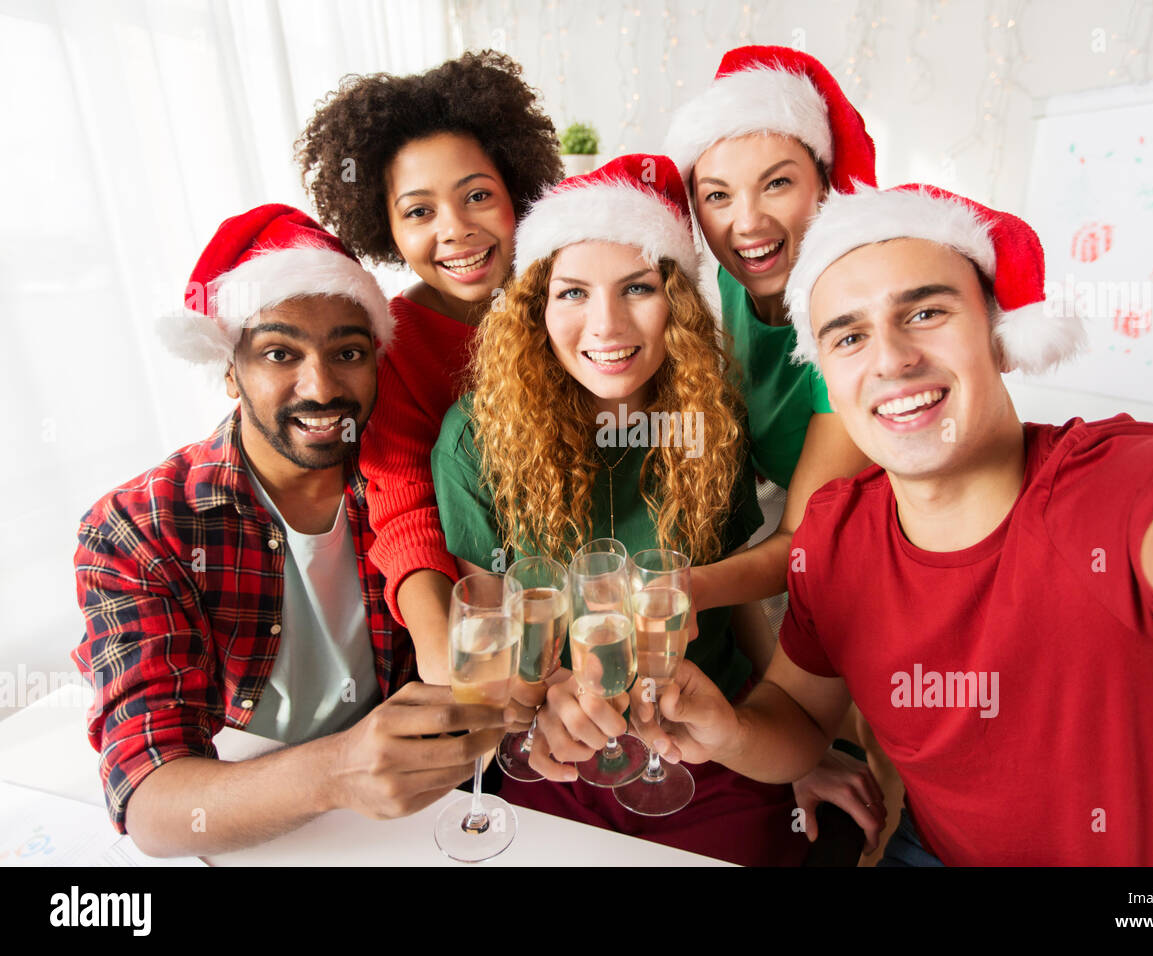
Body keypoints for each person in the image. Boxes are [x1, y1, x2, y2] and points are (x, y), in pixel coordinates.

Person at [635, 183, 1153, 865]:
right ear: (828, 378)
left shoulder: (1124, 489)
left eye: (924, 312)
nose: (891, 359)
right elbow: (800, 719)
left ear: (999, 334)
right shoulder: (835, 535)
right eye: (851, 335)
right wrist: (727, 729)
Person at [431, 155, 830, 866]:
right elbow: (491, 616)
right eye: (573, 292)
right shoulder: (475, 437)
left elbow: (732, 600)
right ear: (537, 308)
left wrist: (790, 735)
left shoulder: (710, 420)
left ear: (675, 305)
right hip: (559, 744)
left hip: (701, 735)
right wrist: (548, 697)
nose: (606, 325)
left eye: (638, 288)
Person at [72, 205, 505, 857]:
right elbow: (152, 806)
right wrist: (335, 773)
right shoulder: (141, 527)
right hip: (257, 819)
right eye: (280, 353)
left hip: (425, 817)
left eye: (348, 353)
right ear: (228, 367)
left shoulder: (413, 485)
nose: (322, 386)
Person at [663, 43, 893, 851]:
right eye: (718, 195)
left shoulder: (849, 311)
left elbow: (806, 544)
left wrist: (675, 589)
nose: (747, 222)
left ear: (825, 186)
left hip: (878, 548)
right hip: (794, 548)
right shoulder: (728, 284)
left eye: (778, 184)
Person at [296, 51, 564, 698]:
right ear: (385, 226)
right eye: (419, 211)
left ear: (515, 192)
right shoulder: (392, 345)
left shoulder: (573, 294)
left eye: (477, 196)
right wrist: (440, 649)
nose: (456, 230)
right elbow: (403, 506)